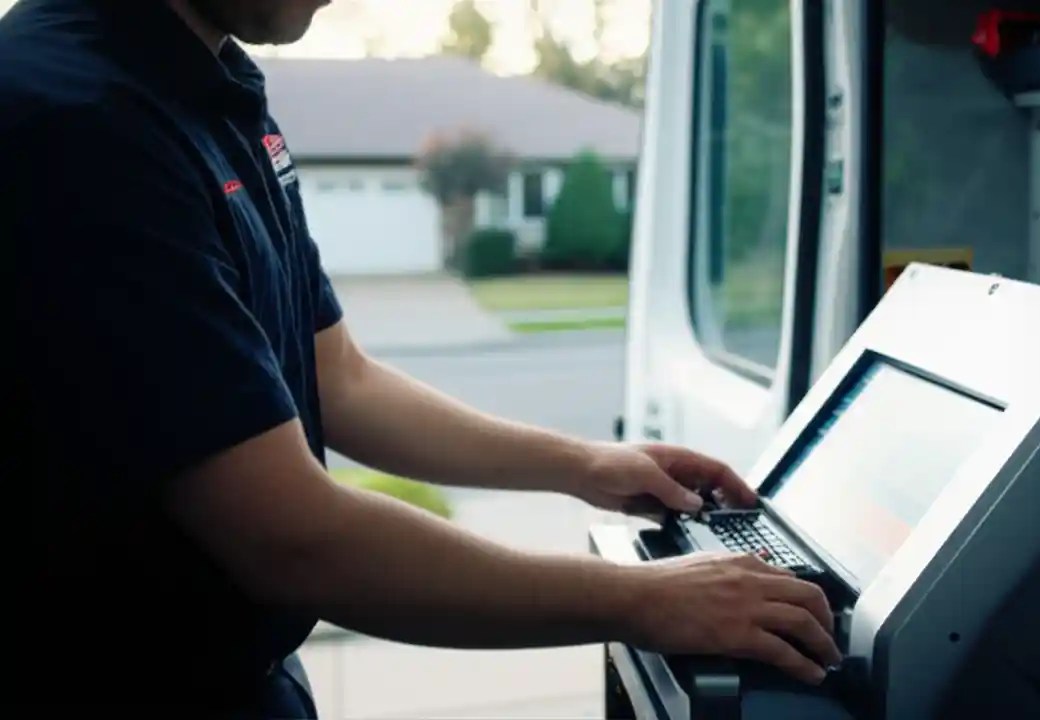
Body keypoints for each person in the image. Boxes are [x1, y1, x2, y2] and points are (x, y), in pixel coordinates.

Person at [2, 0, 840, 715]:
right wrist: (647, 603)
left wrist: (586, 464)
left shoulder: (208, 83)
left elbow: (341, 377)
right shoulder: (74, 120)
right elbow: (295, 541)